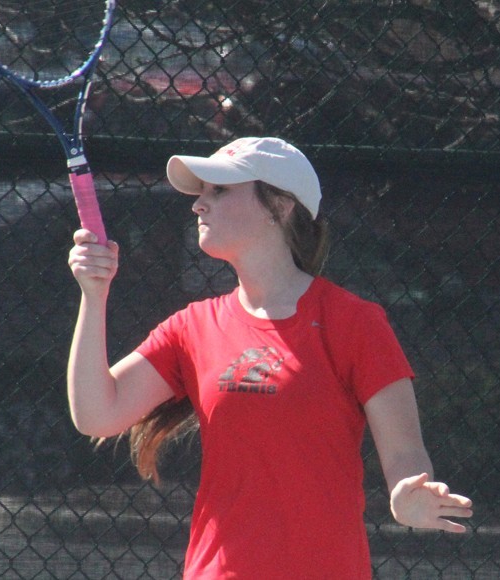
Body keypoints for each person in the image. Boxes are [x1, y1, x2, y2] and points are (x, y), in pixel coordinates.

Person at [67, 137, 473, 579]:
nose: (198, 205)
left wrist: (405, 495)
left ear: (279, 206)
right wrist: (94, 294)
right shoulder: (192, 326)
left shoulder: (354, 322)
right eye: (201, 191)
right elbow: (96, 414)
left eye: (219, 190)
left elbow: (405, 454)